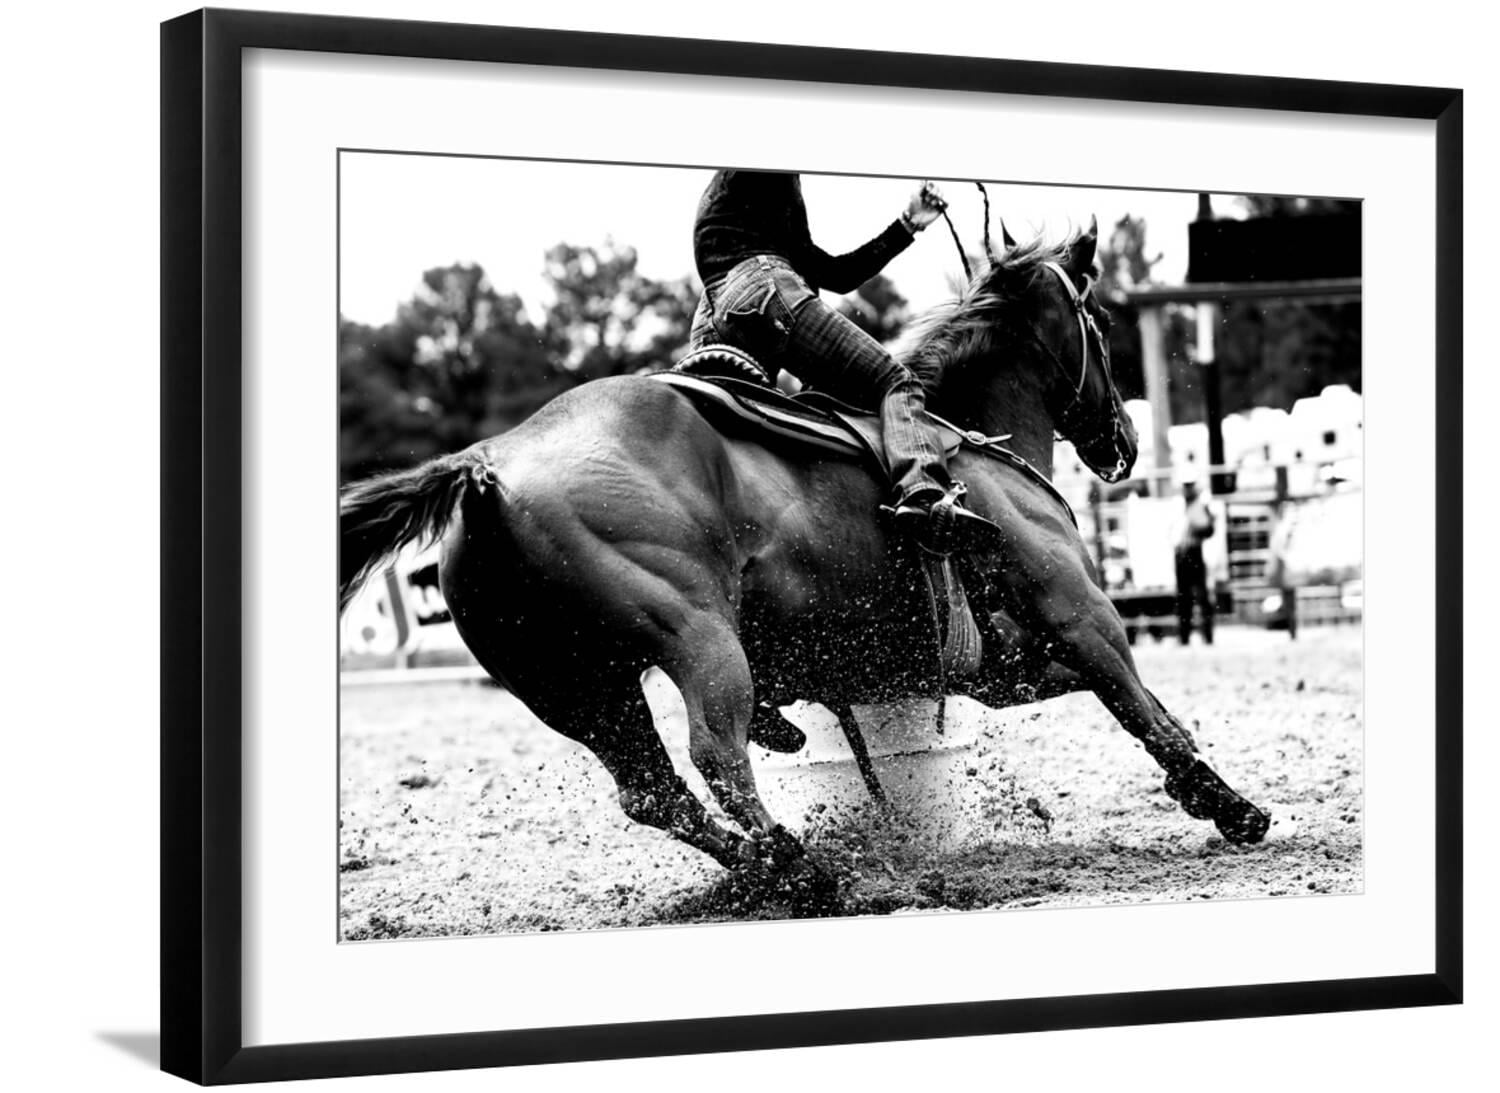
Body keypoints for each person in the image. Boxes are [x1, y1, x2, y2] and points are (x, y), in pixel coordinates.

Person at [687, 169, 1003, 555]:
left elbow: (836, 274)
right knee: (896, 383)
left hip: (718, 313)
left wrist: (907, 224)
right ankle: (925, 494)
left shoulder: (745, 207)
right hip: (763, 288)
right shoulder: (759, 165)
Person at [1174, 480, 1216, 645]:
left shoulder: (1200, 505)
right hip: (1183, 552)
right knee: (1185, 597)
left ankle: (1206, 635)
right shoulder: (1182, 505)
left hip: (1193, 550)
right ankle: (1186, 636)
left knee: (1200, 596)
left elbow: (1208, 529)